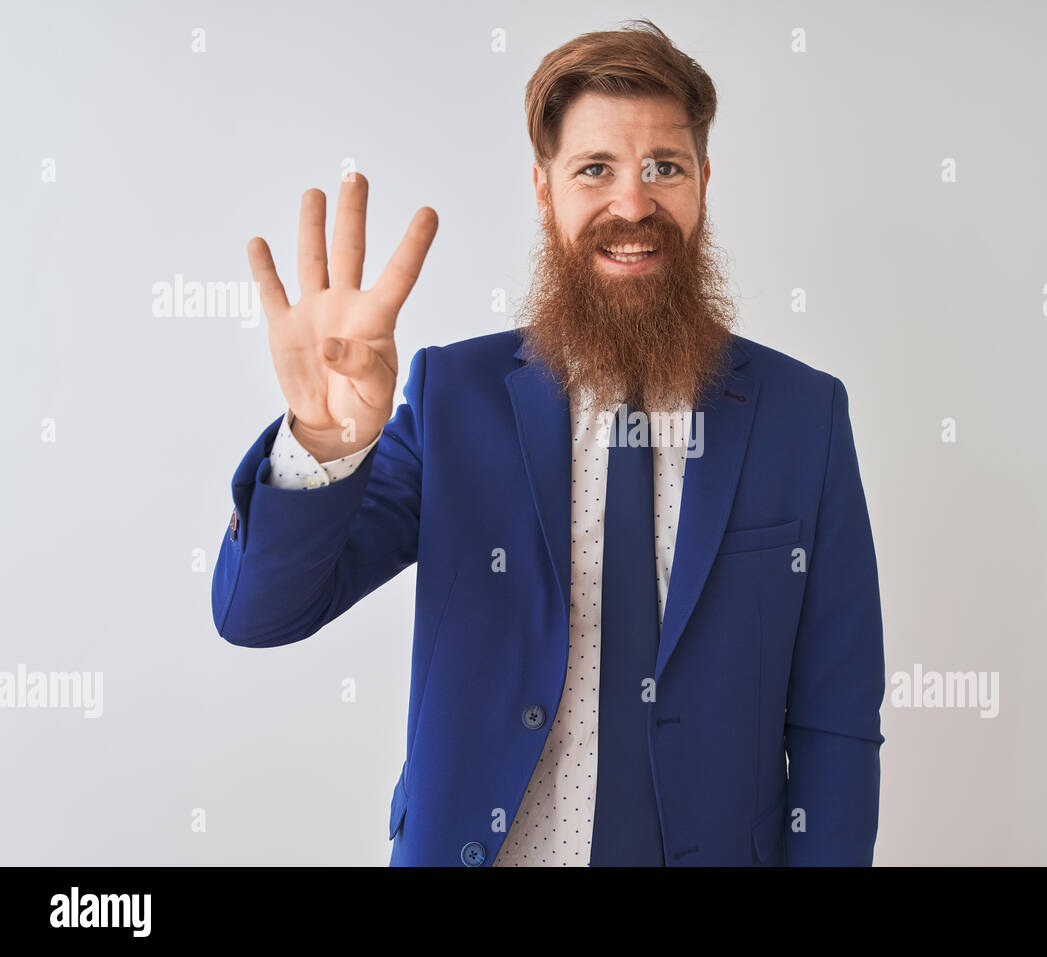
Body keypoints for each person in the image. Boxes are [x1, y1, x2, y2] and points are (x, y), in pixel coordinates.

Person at [213, 18, 885, 867]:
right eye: (594, 169)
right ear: (544, 190)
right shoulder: (456, 399)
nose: (633, 203)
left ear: (704, 183)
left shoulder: (803, 416)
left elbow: (835, 725)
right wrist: (323, 436)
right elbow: (256, 614)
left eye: (664, 168)